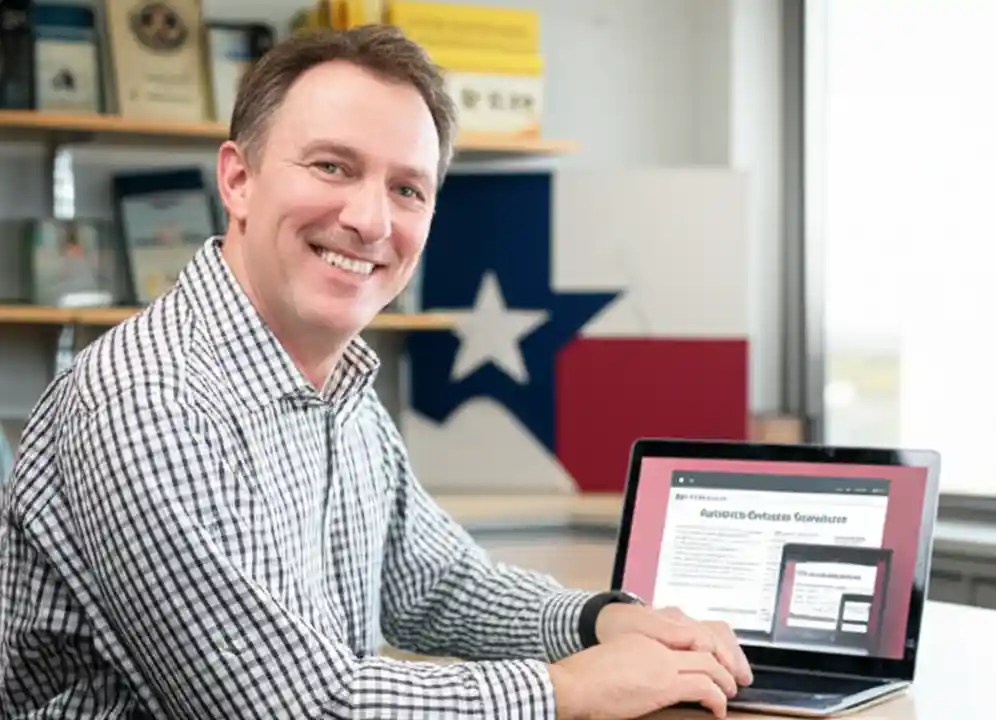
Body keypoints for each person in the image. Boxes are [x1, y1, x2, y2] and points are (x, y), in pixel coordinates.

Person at [0, 25, 751, 719]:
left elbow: (436, 583)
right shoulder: (149, 397)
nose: (370, 221)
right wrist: (574, 687)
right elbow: (290, 707)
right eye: (333, 166)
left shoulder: (343, 393)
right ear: (238, 179)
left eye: (407, 189)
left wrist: (601, 620)